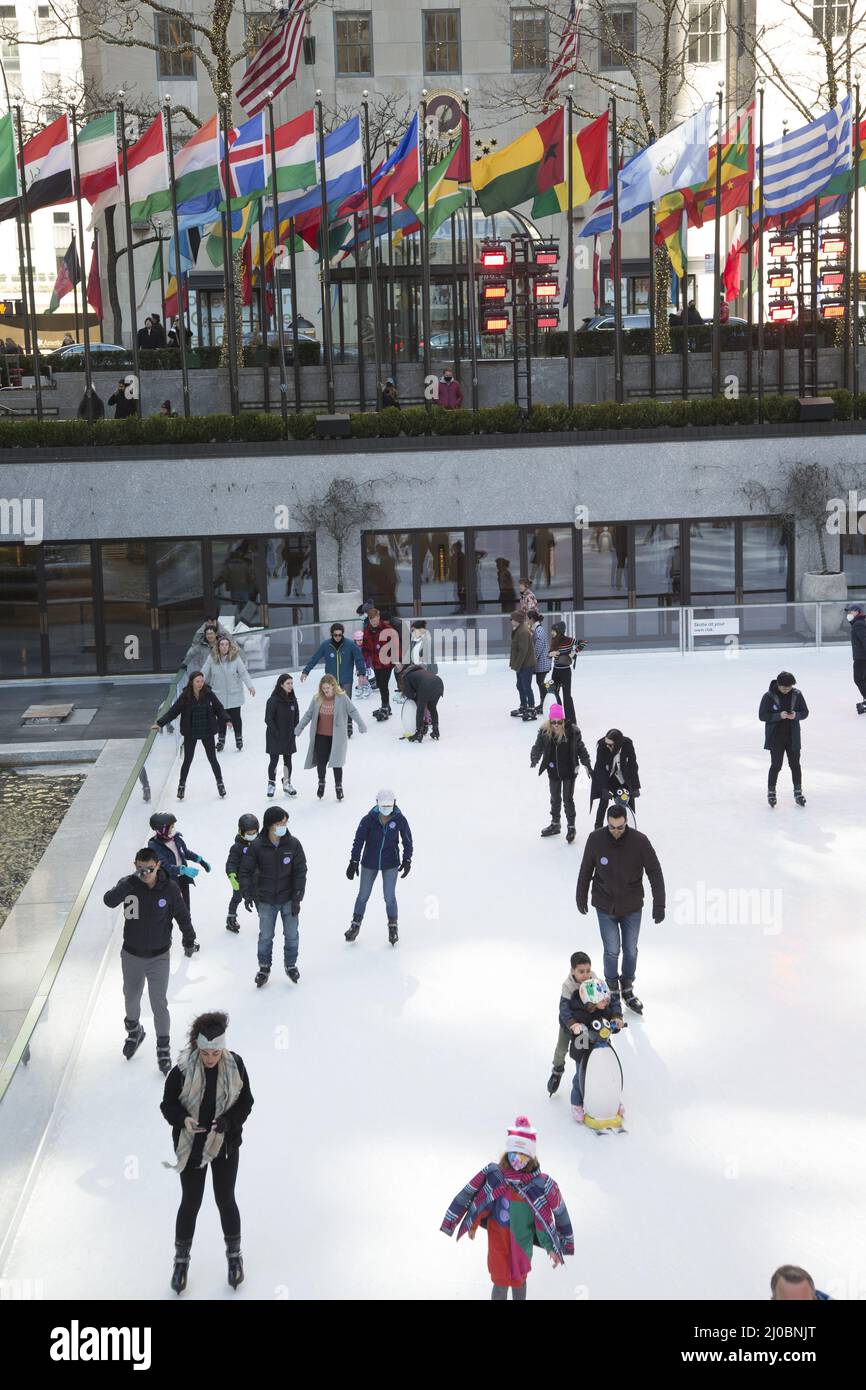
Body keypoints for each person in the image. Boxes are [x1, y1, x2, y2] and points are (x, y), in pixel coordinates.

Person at [160, 1010, 254, 1294]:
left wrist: (227, 1122)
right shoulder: (182, 1070)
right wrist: (183, 1120)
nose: (210, 1059)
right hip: (192, 1148)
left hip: (224, 1146)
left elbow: (246, 1101)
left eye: (215, 1053)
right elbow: (168, 1105)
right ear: (197, 1047)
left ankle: (234, 1257)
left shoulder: (235, 1064)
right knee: (190, 1202)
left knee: (225, 1199)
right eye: (205, 1053)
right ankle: (180, 1262)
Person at [440, 1116, 573, 1301]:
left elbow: (541, 1221)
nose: (518, 1159)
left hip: (522, 1243)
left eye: (524, 1155)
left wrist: (551, 1247)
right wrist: (474, 1223)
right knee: (500, 1281)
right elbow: (484, 1202)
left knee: (519, 1281)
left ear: (531, 1157)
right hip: (498, 1240)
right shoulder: (497, 1177)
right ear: (507, 1153)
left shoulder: (536, 1186)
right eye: (514, 1153)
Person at [103, 846, 197, 1076]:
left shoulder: (170, 889)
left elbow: (182, 915)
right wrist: (129, 882)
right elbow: (109, 901)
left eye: (149, 869)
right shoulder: (128, 884)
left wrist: (189, 938)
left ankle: (163, 1047)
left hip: (159, 956)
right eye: (140, 868)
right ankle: (135, 1031)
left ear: (158, 866)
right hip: (132, 954)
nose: (145, 873)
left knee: (159, 1002)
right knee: (131, 996)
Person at [576, 803, 666, 1015]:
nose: (616, 831)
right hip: (605, 904)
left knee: (630, 949)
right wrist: (580, 894)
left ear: (626, 822)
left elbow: (654, 871)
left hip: (632, 905)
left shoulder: (640, 842)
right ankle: (612, 989)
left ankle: (627, 987)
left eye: (620, 827)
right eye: (612, 827)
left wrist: (659, 903)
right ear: (607, 823)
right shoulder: (596, 839)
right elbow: (586, 869)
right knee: (612, 950)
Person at [239, 806, 307, 987]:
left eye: (285, 823)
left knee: (292, 935)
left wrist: (297, 897)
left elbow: (301, 871)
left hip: (288, 899)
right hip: (266, 900)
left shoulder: (293, 844)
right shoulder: (257, 846)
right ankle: (264, 967)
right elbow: (245, 870)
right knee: (266, 936)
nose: (283, 826)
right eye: (279, 823)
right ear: (269, 825)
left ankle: (290, 964)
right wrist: (247, 893)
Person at [345, 788, 413, 945]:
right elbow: (359, 841)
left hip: (391, 862)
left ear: (394, 803)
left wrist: (407, 859)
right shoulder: (368, 820)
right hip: (370, 862)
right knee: (363, 895)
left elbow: (407, 840)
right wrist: (354, 861)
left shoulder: (400, 819)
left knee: (389, 896)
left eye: (389, 805)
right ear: (377, 803)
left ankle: (393, 927)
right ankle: (355, 926)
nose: (386, 809)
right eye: (383, 805)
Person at [152, 672, 226, 800]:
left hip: (207, 731)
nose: (200, 684)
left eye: (202, 681)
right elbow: (173, 711)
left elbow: (219, 708)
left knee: (212, 759)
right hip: (191, 732)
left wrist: (227, 719)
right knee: (187, 760)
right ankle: (181, 786)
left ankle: (220, 784)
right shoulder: (185, 696)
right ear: (192, 682)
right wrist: (160, 723)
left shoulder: (208, 694)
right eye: (197, 681)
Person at [295, 673, 367, 800]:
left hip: (337, 737)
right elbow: (308, 714)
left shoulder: (342, 698)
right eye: (323, 688)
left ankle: (338, 787)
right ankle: (321, 783)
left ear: (333, 686)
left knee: (336, 763)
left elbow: (353, 711)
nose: (325, 691)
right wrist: (299, 728)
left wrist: (361, 724)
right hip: (321, 736)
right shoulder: (317, 699)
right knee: (321, 762)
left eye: (327, 688)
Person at [564, 977, 625, 1124]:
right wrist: (577, 1027)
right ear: (592, 1001)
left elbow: (612, 1021)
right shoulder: (580, 1013)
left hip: (602, 1046)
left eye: (606, 999)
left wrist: (616, 1022)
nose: (606, 1002)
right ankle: (577, 1103)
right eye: (603, 1000)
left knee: (610, 1073)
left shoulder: (606, 1009)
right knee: (581, 1075)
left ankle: (612, 1101)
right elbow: (573, 1024)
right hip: (584, 1047)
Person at [530, 703, 592, 843]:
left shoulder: (572, 731)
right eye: (553, 722)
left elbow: (581, 749)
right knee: (555, 798)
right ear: (549, 721)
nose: (556, 724)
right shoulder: (544, 732)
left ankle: (571, 827)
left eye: (559, 722)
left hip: (569, 771)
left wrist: (587, 764)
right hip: (553, 771)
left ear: (563, 720)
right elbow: (537, 747)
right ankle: (555, 824)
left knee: (568, 799)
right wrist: (535, 757)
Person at [147, 811, 211, 936]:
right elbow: (164, 866)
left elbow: (185, 852)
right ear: (162, 829)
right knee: (168, 911)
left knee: (185, 911)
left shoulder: (176, 838)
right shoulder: (154, 847)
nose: (173, 829)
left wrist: (200, 860)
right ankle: (164, 936)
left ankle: (189, 938)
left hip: (182, 880)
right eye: (171, 827)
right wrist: (182, 869)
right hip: (168, 883)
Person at [300, 622, 367, 737]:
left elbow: (359, 658)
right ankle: (334, 726)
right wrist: (306, 671)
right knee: (332, 704)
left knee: (347, 703)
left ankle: (348, 725)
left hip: (346, 679)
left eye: (340, 635)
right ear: (332, 634)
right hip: (331, 682)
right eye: (335, 635)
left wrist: (361, 673)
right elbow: (315, 658)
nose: (337, 637)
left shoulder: (350, 645)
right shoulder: (326, 645)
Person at [547, 950, 595, 1096]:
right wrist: (572, 1023)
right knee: (562, 1048)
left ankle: (583, 1074)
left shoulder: (593, 980)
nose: (585, 975)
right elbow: (564, 1008)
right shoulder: (568, 985)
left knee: (582, 1050)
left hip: (584, 1025)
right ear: (572, 971)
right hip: (569, 1024)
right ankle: (557, 1070)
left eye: (588, 970)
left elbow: (601, 997)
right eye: (581, 971)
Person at [759, 670, 808, 808]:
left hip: (793, 737)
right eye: (783, 687)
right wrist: (778, 716)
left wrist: (796, 715)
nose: (786, 690)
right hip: (776, 738)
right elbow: (762, 716)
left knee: (795, 765)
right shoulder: (768, 696)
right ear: (778, 685)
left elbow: (805, 712)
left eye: (789, 687)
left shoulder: (797, 694)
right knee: (776, 765)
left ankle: (798, 792)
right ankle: (771, 792)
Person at [201, 634, 256, 753]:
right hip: (219, 694)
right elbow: (204, 672)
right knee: (221, 718)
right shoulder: (212, 658)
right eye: (222, 644)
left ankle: (238, 738)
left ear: (229, 646)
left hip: (234, 693)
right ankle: (221, 741)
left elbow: (243, 673)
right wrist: (198, 684)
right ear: (218, 646)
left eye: (226, 644)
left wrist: (250, 686)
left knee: (236, 718)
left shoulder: (235, 658)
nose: (224, 647)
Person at [590, 728, 640, 829]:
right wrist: (604, 788)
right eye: (606, 742)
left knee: (625, 798)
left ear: (617, 743)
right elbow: (600, 769)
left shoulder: (627, 744)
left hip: (621, 777)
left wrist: (635, 787)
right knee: (603, 801)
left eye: (610, 744)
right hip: (606, 777)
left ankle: (626, 826)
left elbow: (633, 765)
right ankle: (598, 827)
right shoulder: (602, 746)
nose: (607, 745)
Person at [361, 607, 400, 721]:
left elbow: (395, 645)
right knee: (380, 683)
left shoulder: (387, 629)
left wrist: (396, 660)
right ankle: (386, 706)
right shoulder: (367, 630)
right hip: (375, 662)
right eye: (372, 620)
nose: (374, 622)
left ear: (379, 617)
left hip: (387, 662)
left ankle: (385, 705)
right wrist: (364, 663)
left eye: (376, 619)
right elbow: (365, 648)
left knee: (383, 684)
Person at [264, 672, 300, 798]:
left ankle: (286, 783)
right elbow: (268, 719)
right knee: (274, 760)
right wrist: (277, 733)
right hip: (275, 736)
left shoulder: (293, 700)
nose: (290, 686)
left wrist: (295, 730)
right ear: (281, 685)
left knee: (287, 760)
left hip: (289, 736)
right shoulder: (273, 700)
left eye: (291, 683)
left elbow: (296, 717)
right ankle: (271, 784)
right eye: (288, 683)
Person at [545, 621, 586, 724]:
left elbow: (584, 642)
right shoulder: (554, 641)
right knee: (555, 694)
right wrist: (551, 654)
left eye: (553, 631)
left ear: (559, 631)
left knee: (567, 696)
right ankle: (557, 717)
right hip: (556, 671)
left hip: (566, 672)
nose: (551, 633)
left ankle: (570, 720)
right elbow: (548, 654)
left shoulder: (569, 640)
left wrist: (574, 652)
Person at [225, 813, 259, 933]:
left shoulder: (260, 844)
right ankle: (231, 918)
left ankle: (265, 919)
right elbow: (231, 863)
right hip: (240, 879)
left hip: (257, 878)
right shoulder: (237, 847)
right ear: (241, 831)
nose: (252, 835)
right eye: (248, 833)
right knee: (237, 897)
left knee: (259, 898)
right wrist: (232, 875)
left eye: (254, 832)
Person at [398, 662, 444, 741]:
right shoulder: (420, 671)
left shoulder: (407, 676)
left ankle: (418, 733)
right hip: (439, 683)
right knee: (432, 708)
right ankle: (435, 730)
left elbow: (410, 695)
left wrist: (414, 697)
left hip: (426, 686)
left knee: (420, 709)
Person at [509, 610, 537, 721]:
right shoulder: (518, 629)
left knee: (526, 687)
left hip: (526, 665)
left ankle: (531, 708)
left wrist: (517, 665)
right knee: (520, 686)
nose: (511, 621)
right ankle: (524, 706)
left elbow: (523, 651)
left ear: (517, 620)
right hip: (521, 664)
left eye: (512, 619)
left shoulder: (523, 632)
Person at [844, 601, 866, 713]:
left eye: (851, 611)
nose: (849, 613)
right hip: (861, 657)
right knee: (863, 679)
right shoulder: (859, 622)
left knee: (858, 679)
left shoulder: (859, 624)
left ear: (857, 612)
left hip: (861, 658)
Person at [528, 610, 550, 713]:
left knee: (540, 682)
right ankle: (543, 703)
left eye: (528, 619)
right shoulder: (536, 629)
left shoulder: (539, 630)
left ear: (531, 619)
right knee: (540, 682)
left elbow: (539, 647)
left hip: (543, 662)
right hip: (541, 662)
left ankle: (544, 704)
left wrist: (533, 659)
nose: (527, 622)